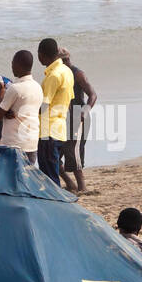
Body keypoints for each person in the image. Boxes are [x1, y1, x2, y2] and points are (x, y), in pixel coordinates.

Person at [36, 38, 74, 185]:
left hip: (47, 131)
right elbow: (69, 101)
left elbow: (43, 106)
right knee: (52, 171)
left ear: (41, 55)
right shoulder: (66, 71)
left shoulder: (53, 76)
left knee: (49, 176)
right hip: (59, 128)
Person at [0, 50, 42, 162]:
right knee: (26, 177)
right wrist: (8, 112)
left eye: (13, 63)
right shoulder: (38, 87)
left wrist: (1, 91)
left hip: (14, 144)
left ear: (18, 65)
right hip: (32, 143)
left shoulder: (15, 88)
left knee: (12, 178)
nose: (12, 67)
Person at [61, 48, 96, 190]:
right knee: (54, 153)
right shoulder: (58, 75)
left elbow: (92, 94)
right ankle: (70, 183)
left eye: (66, 60)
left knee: (73, 152)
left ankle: (82, 186)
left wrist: (86, 110)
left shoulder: (78, 74)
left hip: (78, 115)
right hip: (63, 117)